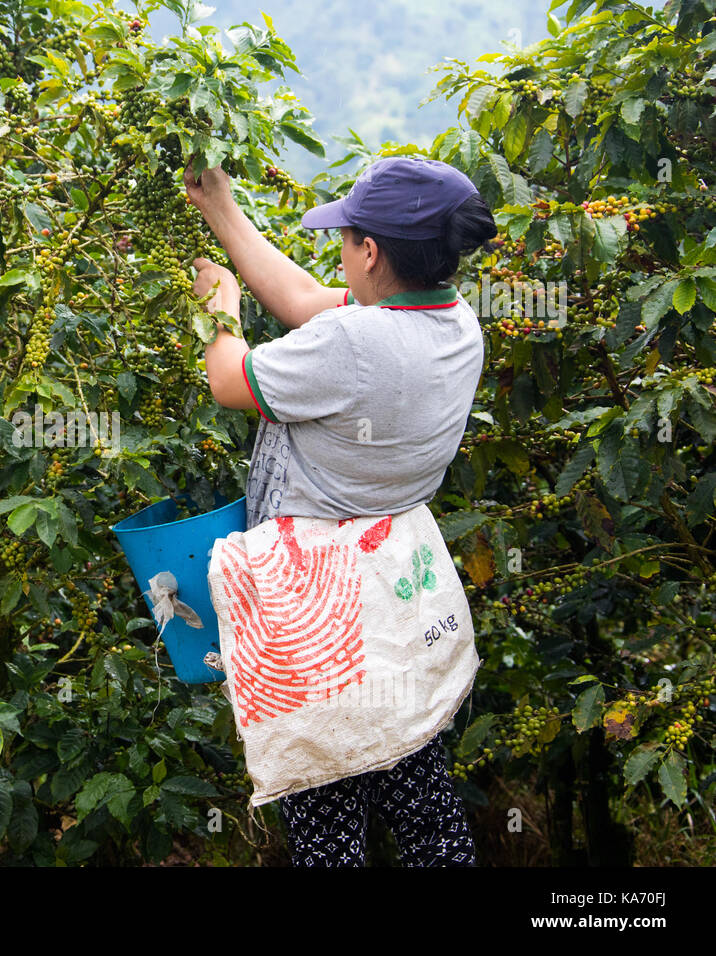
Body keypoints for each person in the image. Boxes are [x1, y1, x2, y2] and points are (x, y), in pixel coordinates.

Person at [183, 155, 498, 867]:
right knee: (420, 794)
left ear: (371, 250)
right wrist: (220, 210)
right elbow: (297, 298)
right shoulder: (451, 323)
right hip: (394, 598)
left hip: (317, 615)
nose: (340, 252)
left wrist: (216, 312)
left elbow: (232, 381)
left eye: (346, 238)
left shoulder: (354, 341)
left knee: (326, 807)